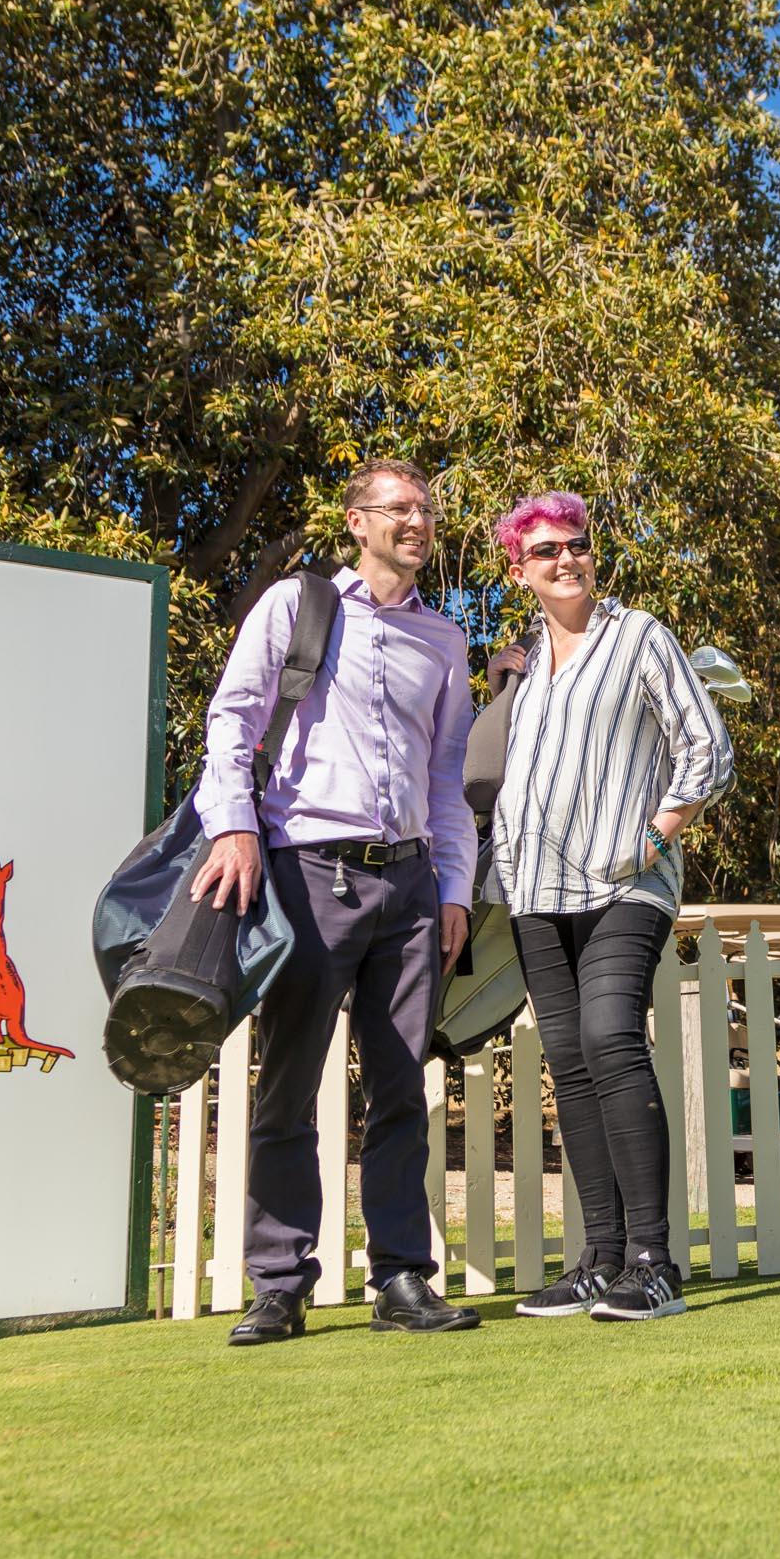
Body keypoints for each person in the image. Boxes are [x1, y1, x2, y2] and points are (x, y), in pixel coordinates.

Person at [191, 458, 479, 1346]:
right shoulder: (298, 605)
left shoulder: (447, 641)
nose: (419, 523)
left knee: (400, 1091)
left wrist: (454, 888)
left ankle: (400, 1279)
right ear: (357, 522)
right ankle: (279, 1285)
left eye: (426, 511)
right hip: (307, 873)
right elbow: (232, 723)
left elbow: (447, 780)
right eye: (400, 509)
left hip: (410, 884)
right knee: (286, 1087)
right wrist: (234, 828)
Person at [490, 492, 732, 1322]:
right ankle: (597, 1258)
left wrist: (657, 835)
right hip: (532, 888)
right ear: (518, 570)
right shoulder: (521, 663)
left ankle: (653, 1262)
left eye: (578, 546)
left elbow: (707, 745)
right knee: (569, 1059)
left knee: (609, 1037)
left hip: (624, 882)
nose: (567, 560)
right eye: (547, 551)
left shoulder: (639, 637)